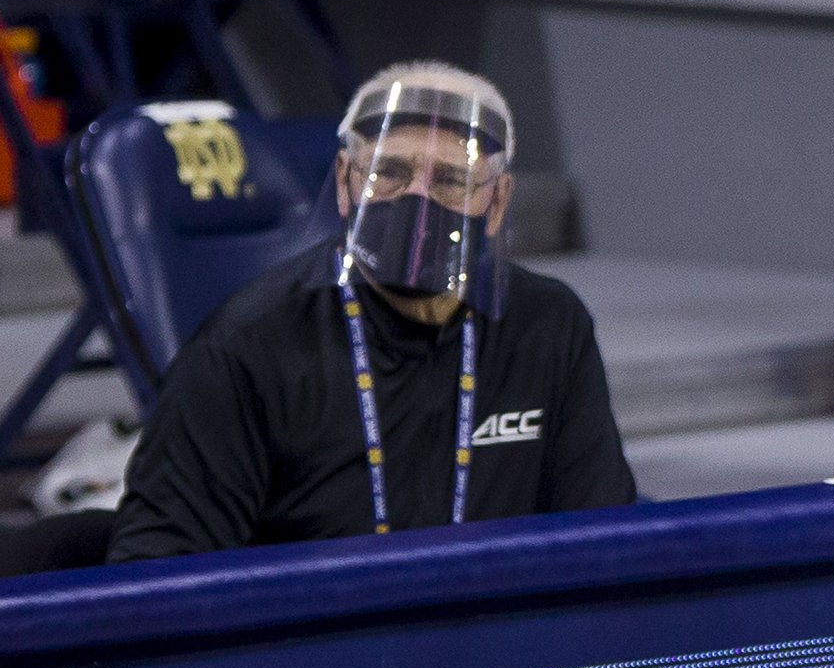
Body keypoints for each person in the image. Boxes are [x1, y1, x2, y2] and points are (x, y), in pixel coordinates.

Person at [109, 62, 636, 562]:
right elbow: (157, 576)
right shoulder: (244, 351)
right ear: (344, 182)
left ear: (497, 203)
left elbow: (603, 539)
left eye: (451, 180)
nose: (417, 201)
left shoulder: (548, 325)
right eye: (390, 172)